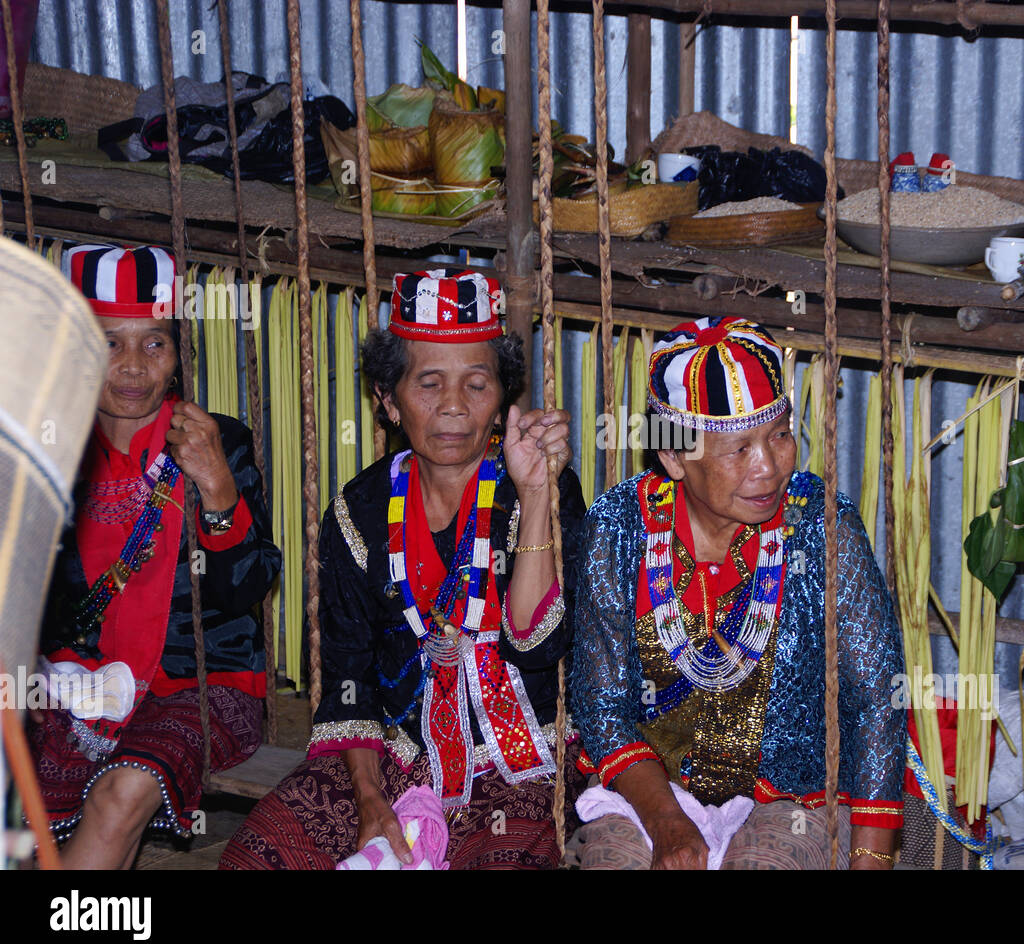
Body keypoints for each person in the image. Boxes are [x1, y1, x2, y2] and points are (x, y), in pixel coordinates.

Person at [220, 269, 587, 870]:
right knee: (258, 856)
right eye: (429, 384)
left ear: (502, 399)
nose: (453, 407)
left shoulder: (539, 485)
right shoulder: (358, 513)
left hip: (522, 758)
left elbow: (536, 645)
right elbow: (348, 679)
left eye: (477, 384)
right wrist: (369, 800)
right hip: (395, 755)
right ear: (389, 400)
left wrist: (538, 491)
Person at [568, 316, 905, 870]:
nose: (769, 467)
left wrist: (869, 861)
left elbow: (875, 701)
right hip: (651, 790)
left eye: (779, 434)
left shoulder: (822, 525)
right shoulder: (620, 526)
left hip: (792, 793)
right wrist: (668, 822)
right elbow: (602, 708)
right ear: (675, 456)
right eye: (738, 448)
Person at [30, 243, 281, 869]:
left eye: (155, 343)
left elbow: (246, 588)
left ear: (177, 354)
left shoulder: (216, 441)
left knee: (118, 798)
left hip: (200, 685)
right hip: (67, 680)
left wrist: (218, 485)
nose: (134, 367)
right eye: (110, 343)